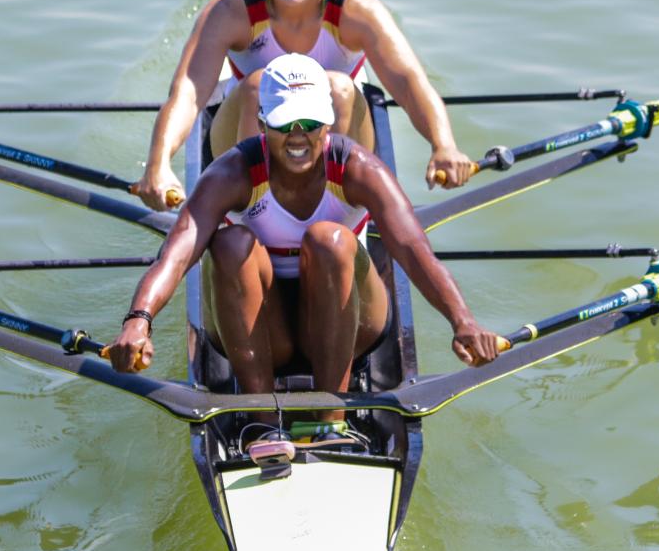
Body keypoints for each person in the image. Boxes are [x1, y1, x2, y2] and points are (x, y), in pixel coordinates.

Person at [108, 53, 502, 453]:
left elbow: (416, 253)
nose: (299, 136)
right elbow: (174, 256)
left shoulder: (358, 169)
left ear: (328, 123)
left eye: (311, 123)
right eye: (284, 123)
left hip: (353, 326)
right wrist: (138, 321)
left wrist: (463, 321)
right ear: (262, 123)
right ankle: (262, 424)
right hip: (265, 329)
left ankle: (332, 422)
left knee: (329, 240)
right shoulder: (233, 173)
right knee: (229, 244)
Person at [134, 0, 477, 211]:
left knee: (339, 89)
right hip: (249, 146)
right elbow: (187, 95)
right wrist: (158, 164)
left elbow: (408, 82)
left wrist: (443, 145)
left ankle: (333, 208)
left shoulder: (357, 11)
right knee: (257, 86)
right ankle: (255, 210)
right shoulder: (230, 12)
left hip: (330, 147)